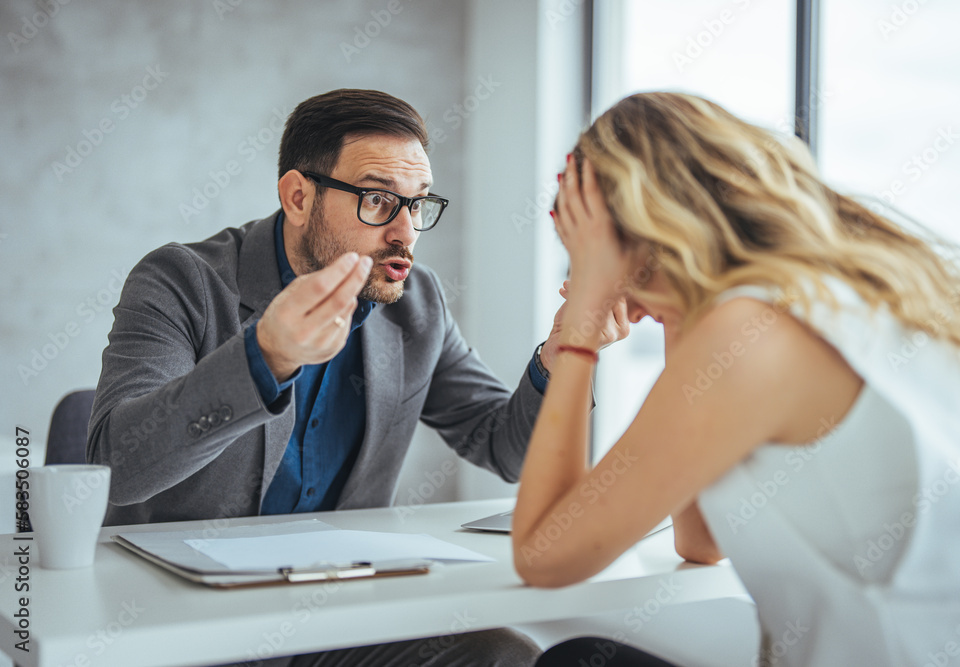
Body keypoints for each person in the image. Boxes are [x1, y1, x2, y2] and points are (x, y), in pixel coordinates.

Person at [86, 89, 627, 667]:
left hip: (337, 622)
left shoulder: (415, 302)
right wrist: (264, 357)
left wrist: (563, 356)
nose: (406, 234)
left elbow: (509, 449)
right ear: (298, 197)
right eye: (377, 200)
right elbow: (117, 469)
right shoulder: (181, 282)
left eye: (416, 204)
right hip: (181, 624)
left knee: (504, 655)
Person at [512, 92, 960, 666]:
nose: (628, 303)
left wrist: (581, 329)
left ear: (644, 235)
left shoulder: (754, 333)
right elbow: (701, 542)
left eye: (592, 257)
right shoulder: (854, 293)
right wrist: (677, 310)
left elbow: (544, 555)